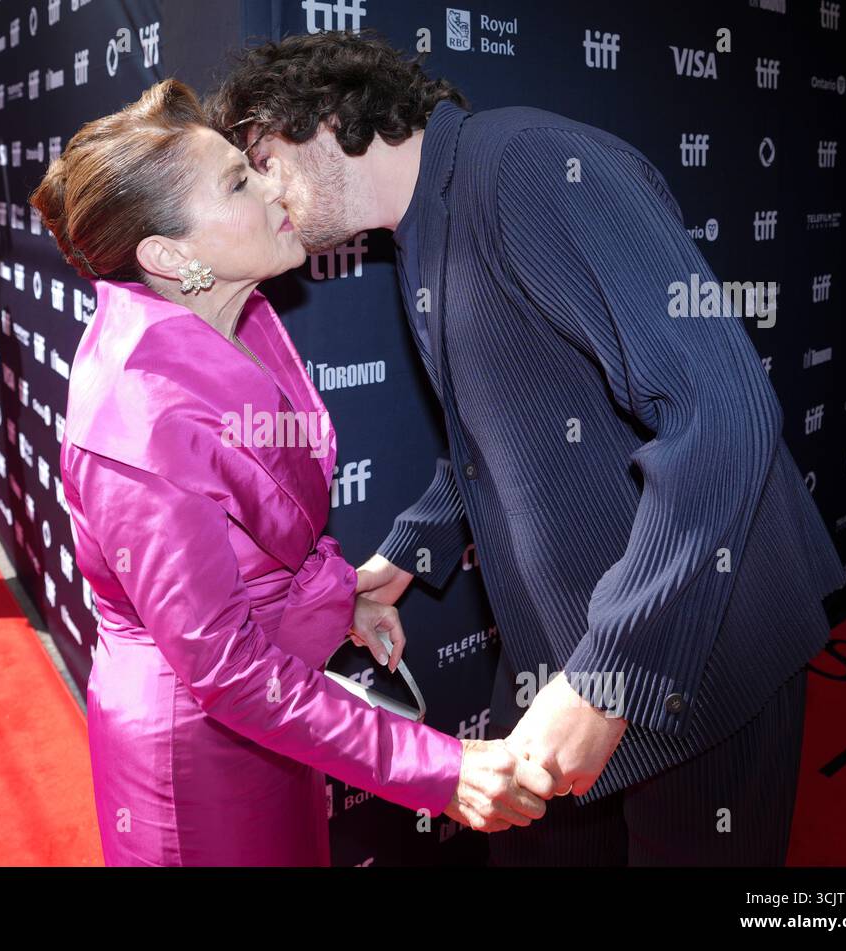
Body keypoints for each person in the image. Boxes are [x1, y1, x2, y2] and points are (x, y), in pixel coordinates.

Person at [208, 31, 846, 866]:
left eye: (258, 159)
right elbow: (502, 426)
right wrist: (406, 553)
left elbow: (720, 412)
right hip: (576, 650)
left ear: (323, 117)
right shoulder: (420, 227)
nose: (259, 196)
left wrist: (612, 673)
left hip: (704, 651)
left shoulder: (527, 169)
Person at [31, 79, 555, 866]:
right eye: (241, 183)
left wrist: (337, 600)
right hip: (197, 756)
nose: (279, 186)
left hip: (278, 711)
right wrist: (440, 768)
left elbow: (253, 540)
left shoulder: (233, 318)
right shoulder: (142, 421)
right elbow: (223, 668)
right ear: (170, 256)